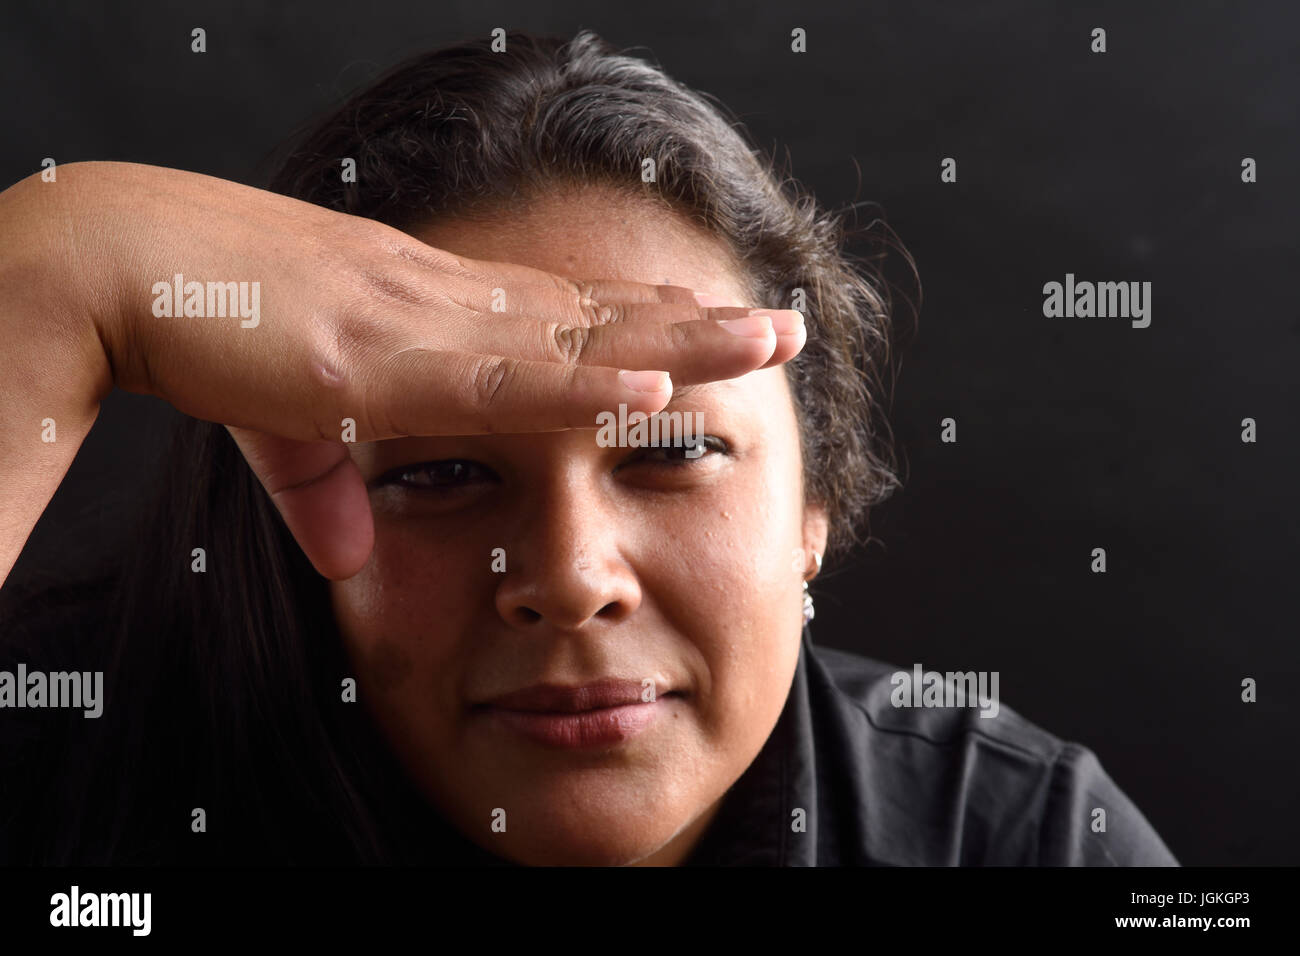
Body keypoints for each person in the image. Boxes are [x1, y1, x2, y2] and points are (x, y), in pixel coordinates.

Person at [0, 29, 1177, 866]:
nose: (567, 579)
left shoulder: (1015, 835)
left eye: (668, 452)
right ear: (292, 509)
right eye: (442, 473)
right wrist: (49, 274)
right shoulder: (61, 779)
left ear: (813, 502)